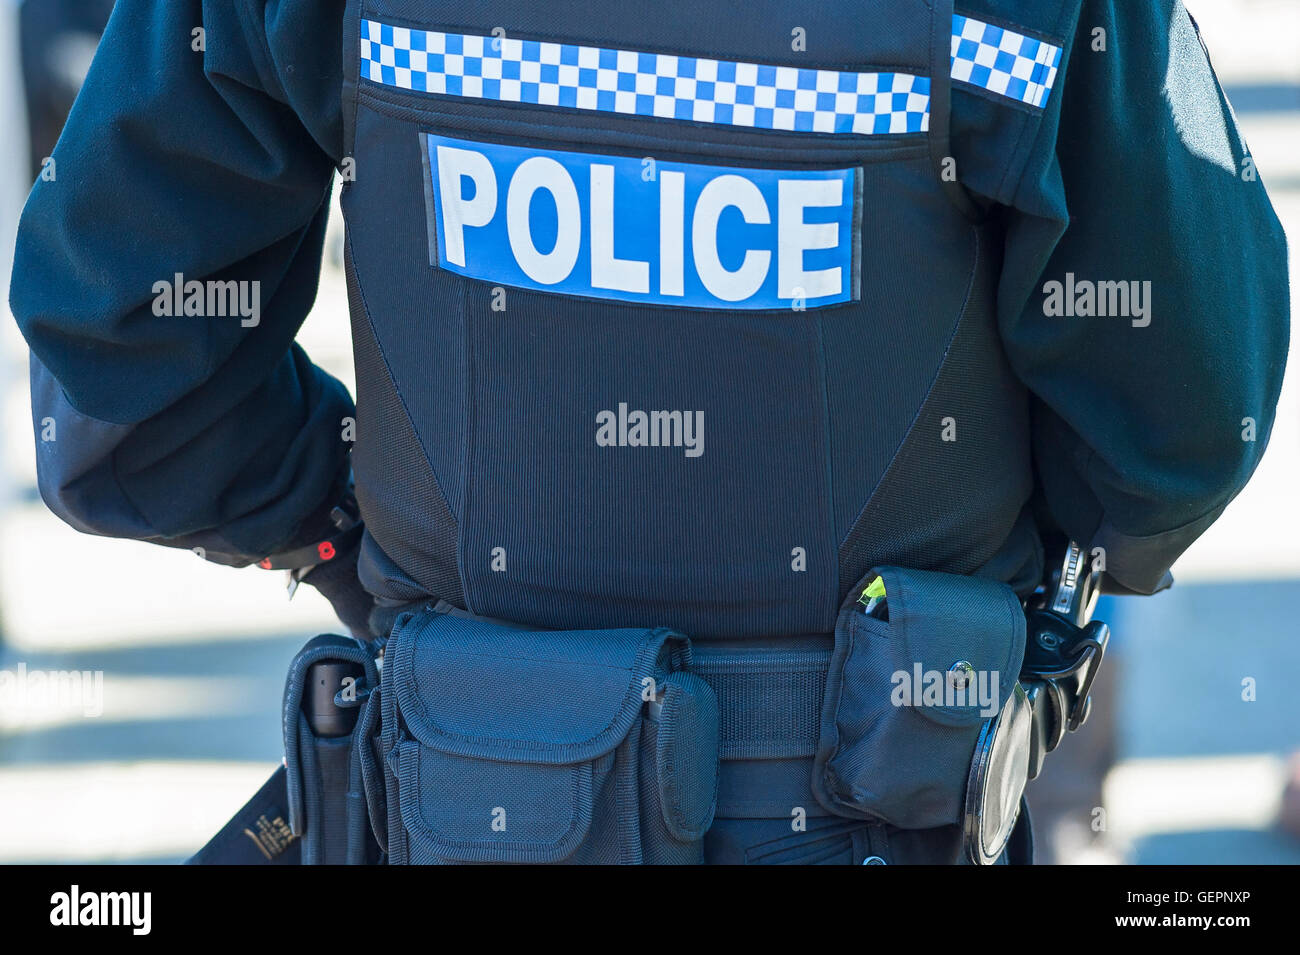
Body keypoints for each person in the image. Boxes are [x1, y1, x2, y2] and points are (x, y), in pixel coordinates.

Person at [9, 0, 1289, 865]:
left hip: (468, 789)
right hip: (883, 792)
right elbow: (1177, 424)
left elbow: (123, 344)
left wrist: (347, 538)